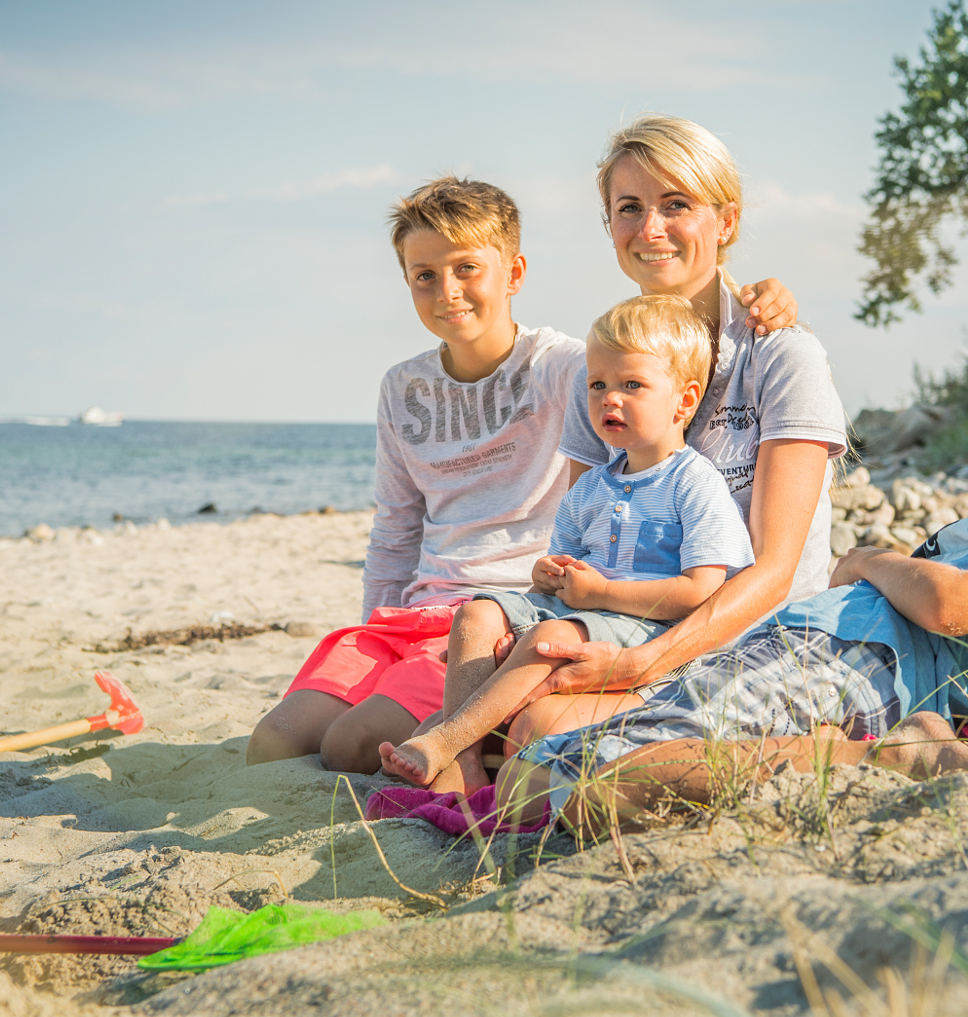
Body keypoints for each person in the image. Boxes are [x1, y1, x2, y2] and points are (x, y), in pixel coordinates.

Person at [494, 285, 968, 831]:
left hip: (856, 655)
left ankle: (884, 757)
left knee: (580, 780)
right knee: (533, 765)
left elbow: (953, 605)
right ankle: (880, 747)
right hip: (832, 643)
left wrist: (870, 557)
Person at [245, 176, 795, 771]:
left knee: (348, 744)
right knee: (275, 743)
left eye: (466, 269)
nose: (447, 291)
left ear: (514, 273)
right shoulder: (401, 387)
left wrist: (758, 297)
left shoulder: (566, 366)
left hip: (500, 611)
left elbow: (652, 348)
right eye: (423, 275)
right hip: (410, 617)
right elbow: (397, 527)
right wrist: (375, 624)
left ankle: (458, 754)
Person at [441, 116, 850, 766]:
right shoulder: (601, 375)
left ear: (727, 220)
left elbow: (773, 574)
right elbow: (587, 536)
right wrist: (561, 592)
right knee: (471, 652)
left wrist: (636, 663)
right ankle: (452, 775)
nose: (651, 228)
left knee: (539, 732)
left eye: (677, 204)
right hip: (628, 617)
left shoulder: (781, 355)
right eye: (629, 208)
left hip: (756, 637)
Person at [378, 295, 754, 787]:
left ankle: (447, 739)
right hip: (582, 615)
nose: (608, 398)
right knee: (477, 613)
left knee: (548, 640)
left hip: (645, 627)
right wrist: (545, 580)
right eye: (598, 384)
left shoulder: (693, 482)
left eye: (631, 385)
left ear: (684, 401)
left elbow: (700, 590)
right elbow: (563, 575)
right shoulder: (590, 486)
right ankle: (466, 758)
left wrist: (600, 594)